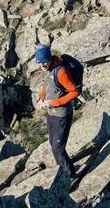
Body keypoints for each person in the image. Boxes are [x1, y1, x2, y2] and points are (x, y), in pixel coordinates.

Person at [33, 45, 80, 179]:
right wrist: (42, 98)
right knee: (53, 143)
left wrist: (53, 103)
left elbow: (75, 91)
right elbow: (45, 84)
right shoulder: (46, 68)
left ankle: (71, 175)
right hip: (51, 113)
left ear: (49, 58)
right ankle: (63, 169)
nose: (42, 65)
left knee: (58, 148)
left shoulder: (61, 72)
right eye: (39, 62)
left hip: (62, 115)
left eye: (44, 61)